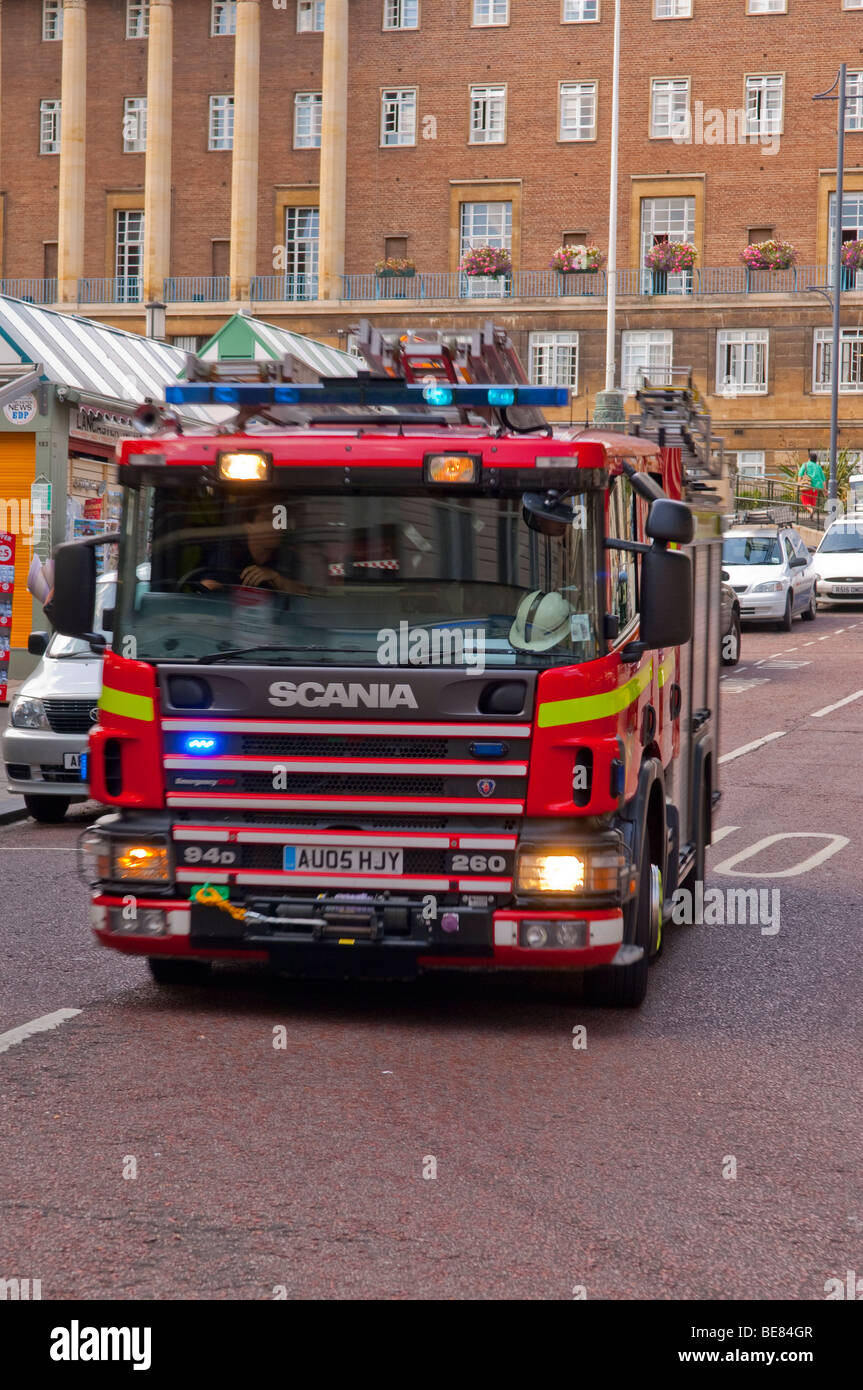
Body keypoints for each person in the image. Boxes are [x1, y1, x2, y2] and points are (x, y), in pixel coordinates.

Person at [798, 453, 826, 519]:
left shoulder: (805, 465)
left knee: (806, 502)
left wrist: (799, 484)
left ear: (809, 458)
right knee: (812, 502)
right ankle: (812, 513)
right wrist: (825, 490)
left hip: (807, 487)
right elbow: (823, 480)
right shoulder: (818, 467)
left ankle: (811, 510)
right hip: (816, 488)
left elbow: (800, 475)